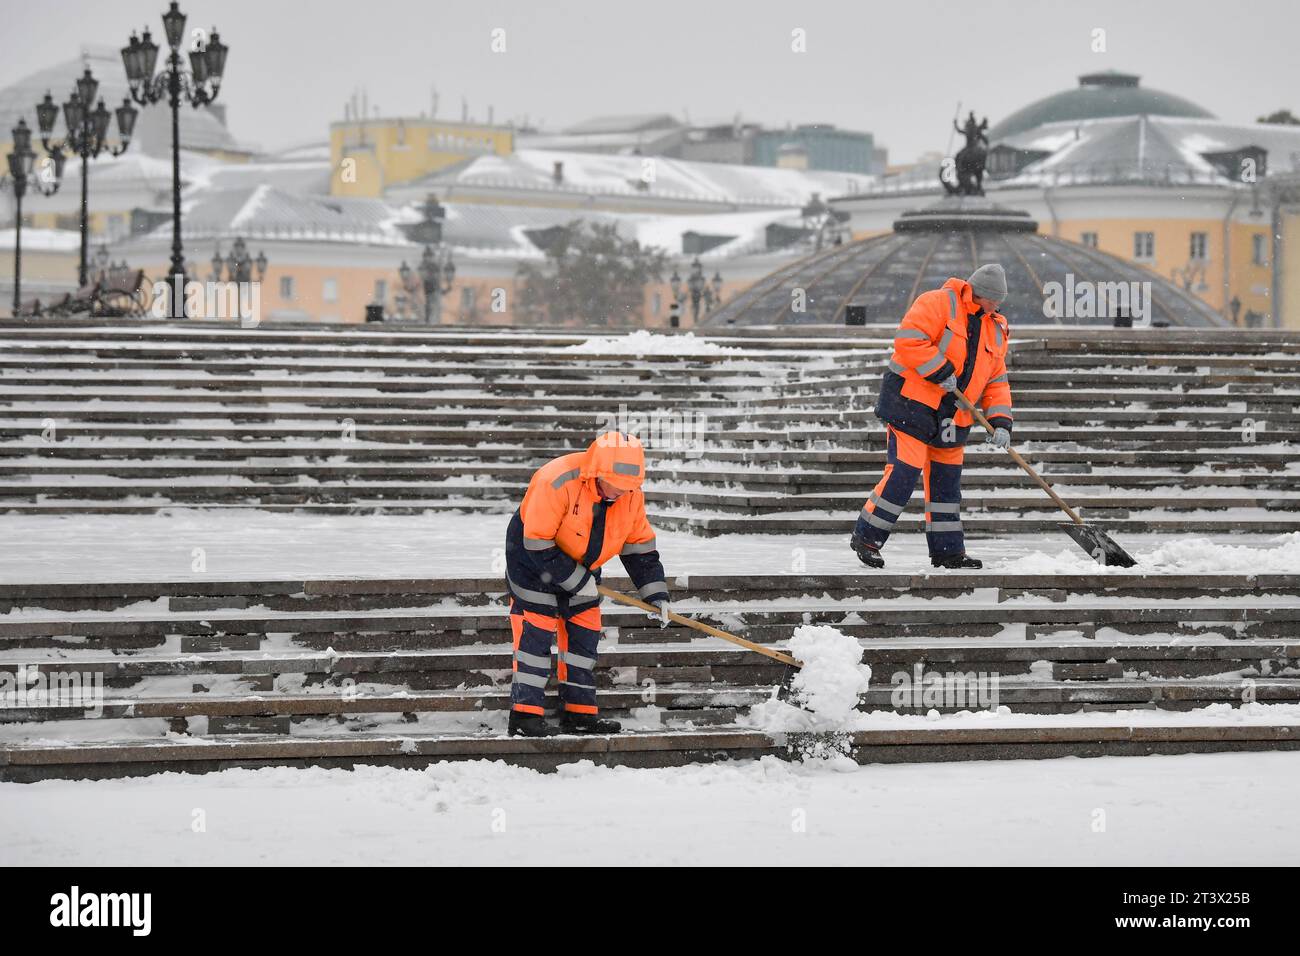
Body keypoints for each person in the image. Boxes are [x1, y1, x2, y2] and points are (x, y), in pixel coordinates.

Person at [503, 431, 669, 737]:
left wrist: (655, 593)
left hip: (583, 564)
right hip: (531, 562)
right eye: (615, 486)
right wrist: (577, 580)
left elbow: (639, 546)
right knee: (535, 637)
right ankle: (525, 716)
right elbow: (538, 542)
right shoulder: (556, 481)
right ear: (596, 473)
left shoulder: (629, 494)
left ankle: (579, 715)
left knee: (584, 637)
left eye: (627, 488)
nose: (620, 493)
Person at [851, 263, 1015, 570]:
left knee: (946, 486)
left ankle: (948, 552)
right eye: (994, 300)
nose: (998, 306)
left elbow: (996, 380)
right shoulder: (938, 302)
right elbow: (909, 340)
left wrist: (1001, 421)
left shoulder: (997, 326)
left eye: (1000, 302)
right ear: (979, 294)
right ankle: (867, 537)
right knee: (904, 472)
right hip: (911, 405)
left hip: (953, 418)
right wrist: (938, 370)